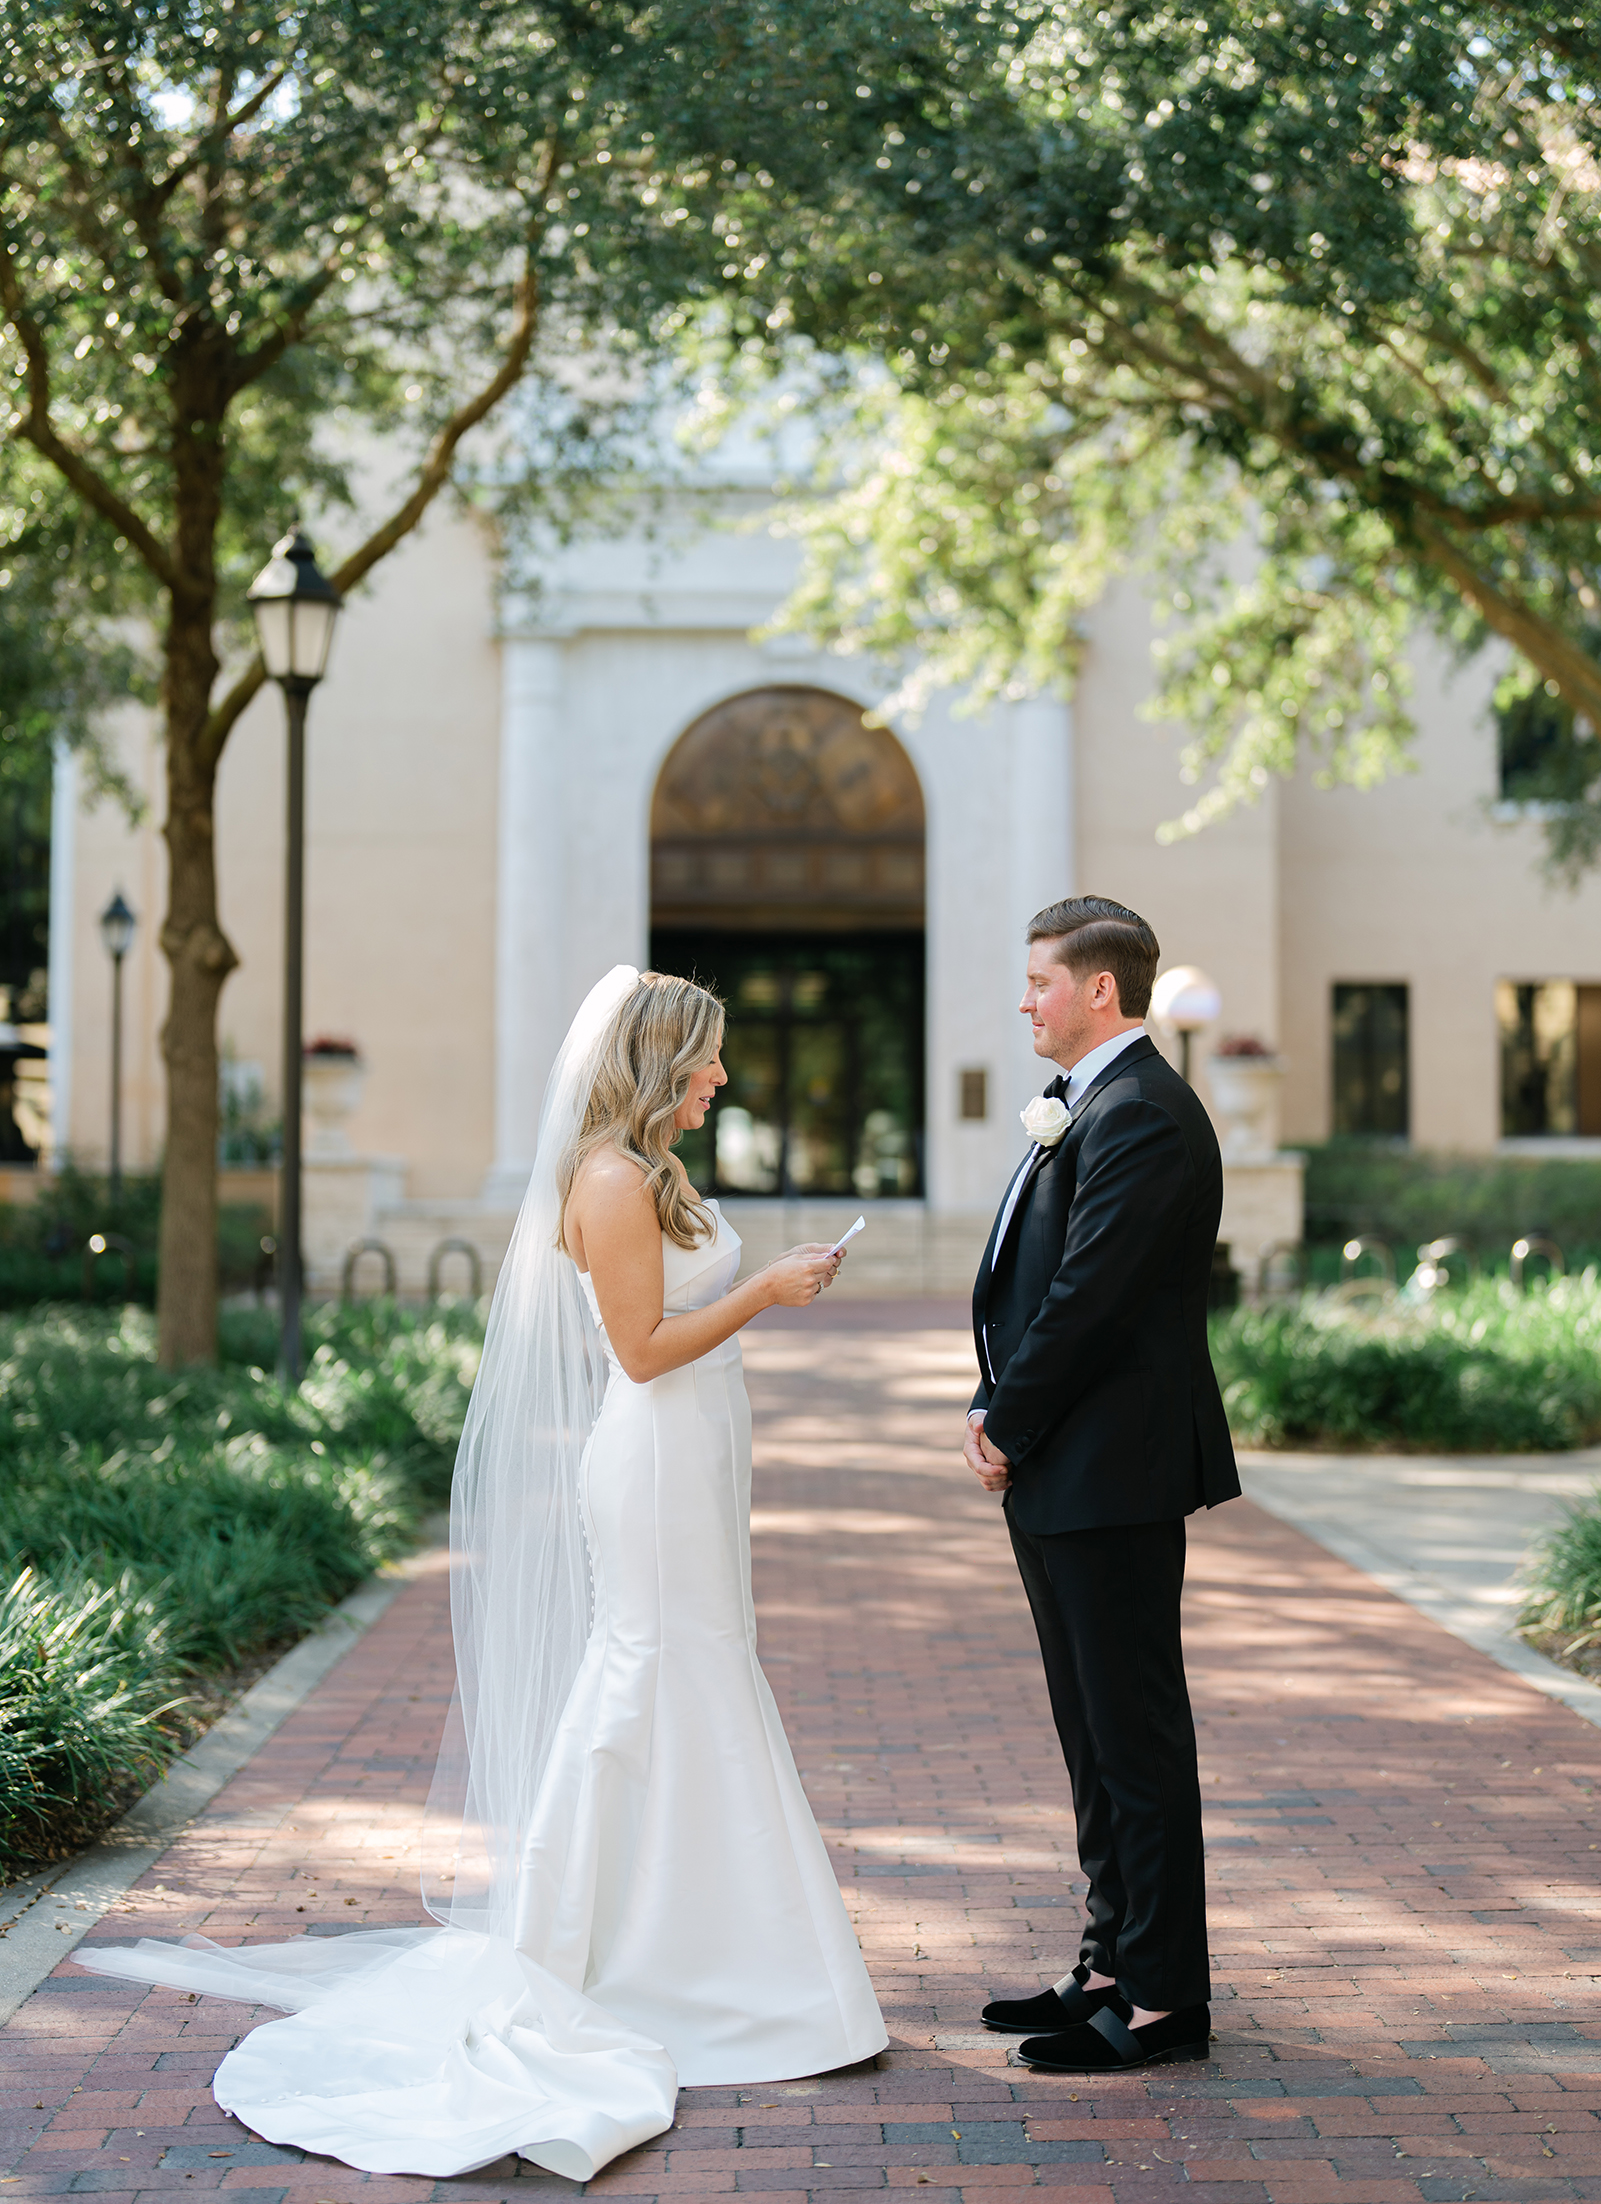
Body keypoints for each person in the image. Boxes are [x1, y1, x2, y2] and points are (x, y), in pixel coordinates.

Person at [78, 966, 885, 2177]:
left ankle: (704, 1945)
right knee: (654, 1668)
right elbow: (640, 1350)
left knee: (700, 1666)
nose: (722, 1075)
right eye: (705, 1057)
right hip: (652, 1460)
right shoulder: (608, 1180)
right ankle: (619, 1956)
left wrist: (764, 1282)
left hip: (694, 1457)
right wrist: (767, 1290)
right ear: (658, 1062)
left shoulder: (654, 1170)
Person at [963, 898, 1240, 2074]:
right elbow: (1039, 1284)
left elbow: (1089, 1298)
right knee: (1090, 1735)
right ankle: (1111, 1961)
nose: (1023, 999)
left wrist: (1003, 1418)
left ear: (1099, 991)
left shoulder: (1141, 1116)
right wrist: (996, 1408)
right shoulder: (1088, 1102)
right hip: (1063, 1466)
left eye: (1039, 980)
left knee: (1133, 1737)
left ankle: (1166, 1998)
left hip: (1109, 1468)